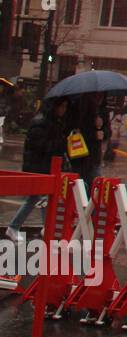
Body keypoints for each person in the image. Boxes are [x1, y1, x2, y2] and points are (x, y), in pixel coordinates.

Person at [7, 98, 69, 237]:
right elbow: (40, 146)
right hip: (38, 167)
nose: (63, 110)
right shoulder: (41, 123)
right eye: (62, 106)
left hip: (44, 167)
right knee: (40, 198)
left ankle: (18, 227)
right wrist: (61, 143)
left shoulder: (53, 122)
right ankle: (40, 228)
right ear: (54, 107)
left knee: (38, 198)